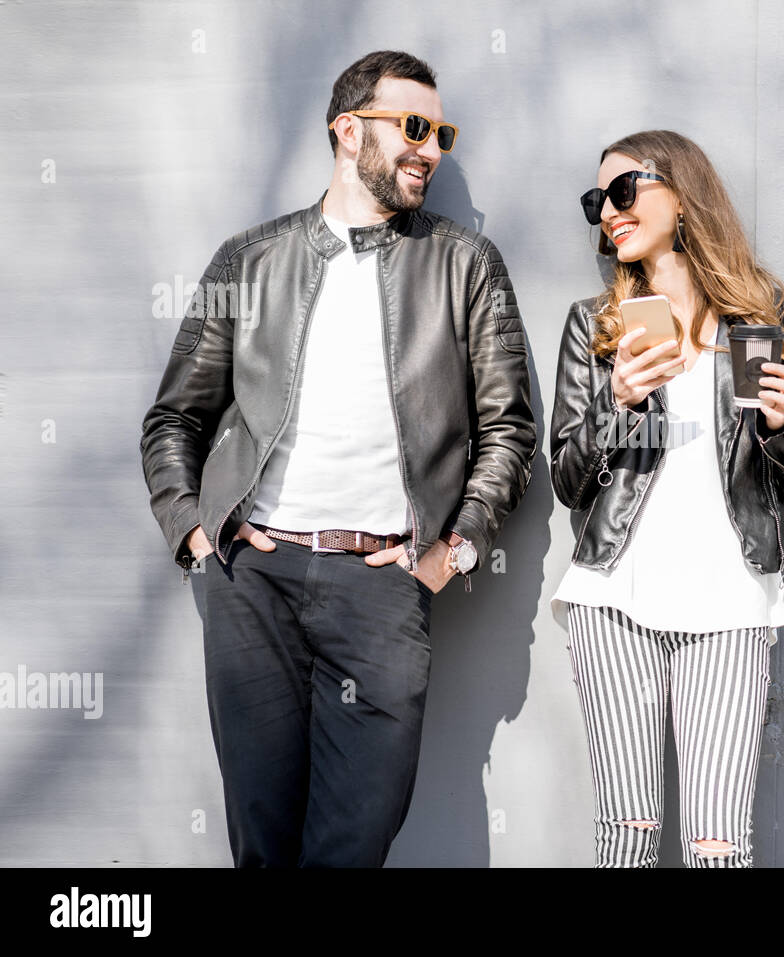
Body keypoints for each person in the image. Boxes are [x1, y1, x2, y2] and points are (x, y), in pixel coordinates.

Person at [140, 50, 536, 867]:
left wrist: (450, 553)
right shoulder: (247, 262)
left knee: (350, 845)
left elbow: (510, 431)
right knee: (263, 843)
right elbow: (175, 416)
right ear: (348, 130)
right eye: (414, 128)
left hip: (383, 587)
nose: (431, 149)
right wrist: (195, 537)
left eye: (443, 134)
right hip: (255, 582)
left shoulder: (465, 265)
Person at [549, 129, 784, 867]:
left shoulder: (762, 320)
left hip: (731, 603)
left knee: (717, 848)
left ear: (683, 193)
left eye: (623, 190)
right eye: (595, 200)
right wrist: (613, 402)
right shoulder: (596, 326)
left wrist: (778, 423)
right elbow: (568, 482)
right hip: (614, 600)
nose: (608, 212)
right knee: (628, 839)